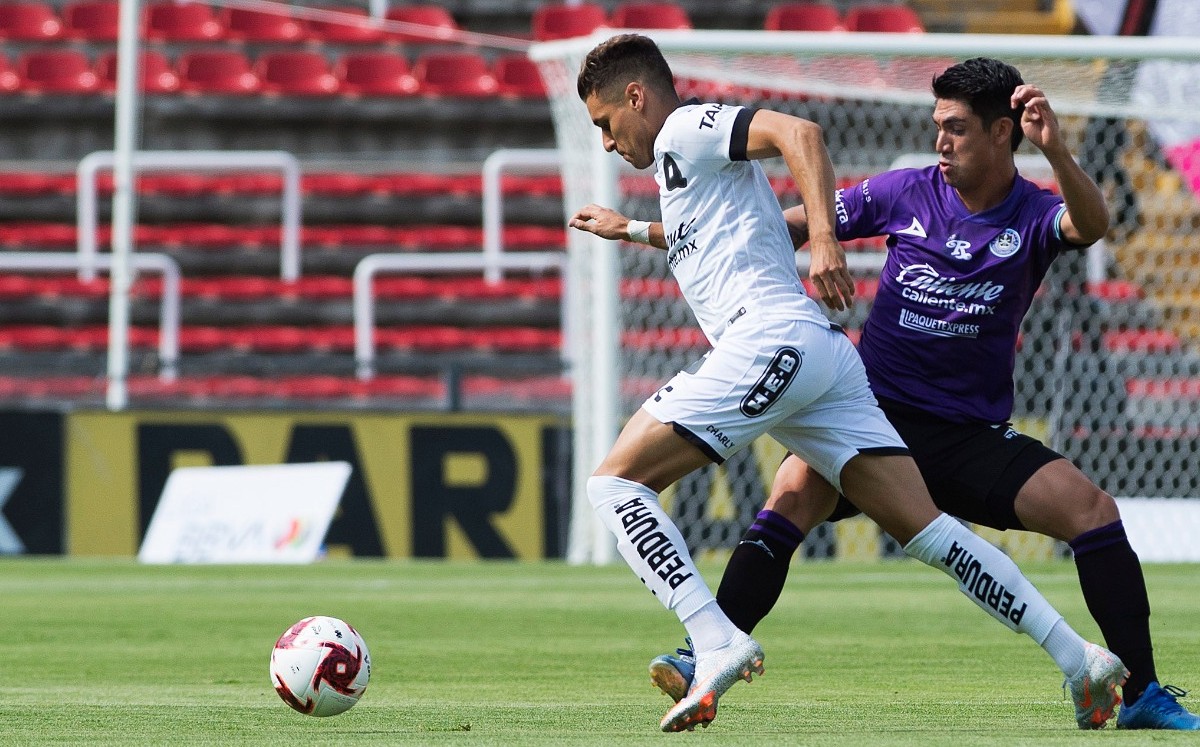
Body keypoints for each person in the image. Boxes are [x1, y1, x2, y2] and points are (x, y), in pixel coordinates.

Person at [569, 36, 1126, 733]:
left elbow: (796, 131)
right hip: (829, 362)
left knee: (615, 484)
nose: (605, 141)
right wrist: (633, 230)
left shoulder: (683, 126)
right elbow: (742, 231)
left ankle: (713, 640)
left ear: (636, 97)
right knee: (929, 534)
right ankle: (1080, 658)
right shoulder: (683, 175)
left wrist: (828, 239)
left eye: (604, 122)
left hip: (768, 341)